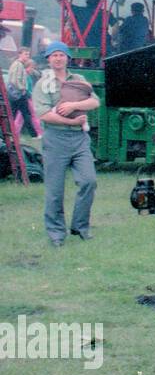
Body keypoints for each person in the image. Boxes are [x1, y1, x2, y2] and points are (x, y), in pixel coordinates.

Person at [32, 40, 98, 246]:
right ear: (48, 59)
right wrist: (71, 119)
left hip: (79, 139)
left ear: (68, 58)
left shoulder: (78, 79)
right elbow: (43, 115)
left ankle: (80, 226)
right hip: (55, 138)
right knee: (55, 190)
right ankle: (56, 234)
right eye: (54, 55)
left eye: (61, 55)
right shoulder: (43, 83)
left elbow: (94, 101)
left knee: (89, 181)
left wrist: (73, 105)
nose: (58, 58)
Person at [6, 45, 40, 138]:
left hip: (16, 94)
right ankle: (34, 134)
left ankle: (9, 133)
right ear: (19, 54)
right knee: (26, 114)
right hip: (19, 94)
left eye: (28, 54)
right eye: (26, 54)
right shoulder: (18, 65)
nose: (27, 56)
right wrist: (23, 89)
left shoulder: (17, 64)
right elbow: (15, 80)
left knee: (16, 114)